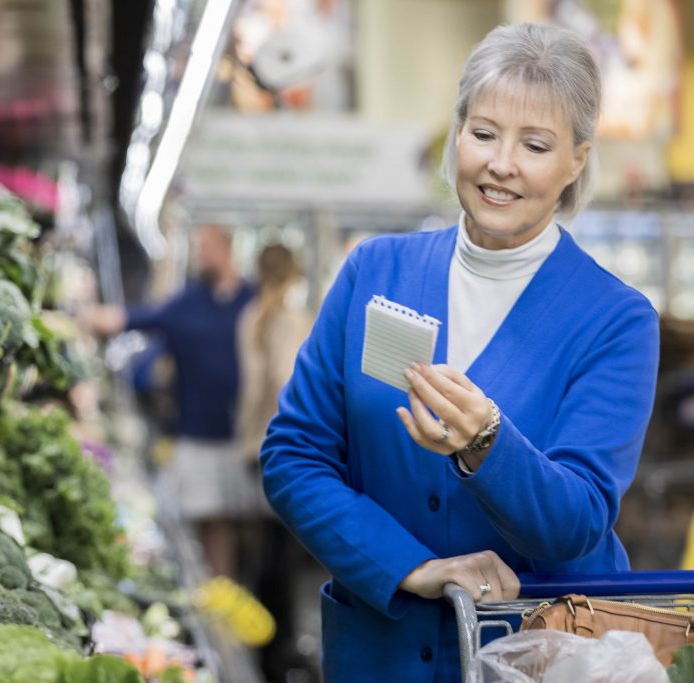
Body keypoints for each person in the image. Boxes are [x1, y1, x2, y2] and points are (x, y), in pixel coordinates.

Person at [260, 23, 660, 682]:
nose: (501, 163)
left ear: (576, 161)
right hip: (382, 655)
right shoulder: (373, 273)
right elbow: (293, 455)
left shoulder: (615, 321)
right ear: (456, 135)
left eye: (535, 145)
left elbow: (577, 522)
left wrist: (487, 442)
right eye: (484, 133)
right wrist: (411, 567)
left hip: (542, 657)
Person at [82, 224, 256, 578]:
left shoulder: (253, 301)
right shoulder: (188, 302)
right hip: (198, 433)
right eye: (197, 247)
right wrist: (86, 315)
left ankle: (252, 594)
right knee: (211, 520)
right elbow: (138, 317)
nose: (199, 255)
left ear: (227, 249)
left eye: (206, 247)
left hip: (248, 435)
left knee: (254, 526)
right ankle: (219, 589)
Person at [235, 244, 314, 681]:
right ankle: (280, 653)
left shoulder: (251, 317)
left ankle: (261, 645)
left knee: (263, 553)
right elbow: (289, 384)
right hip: (287, 449)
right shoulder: (291, 321)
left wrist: (247, 437)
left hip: (256, 450)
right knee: (285, 558)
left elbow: (250, 392)